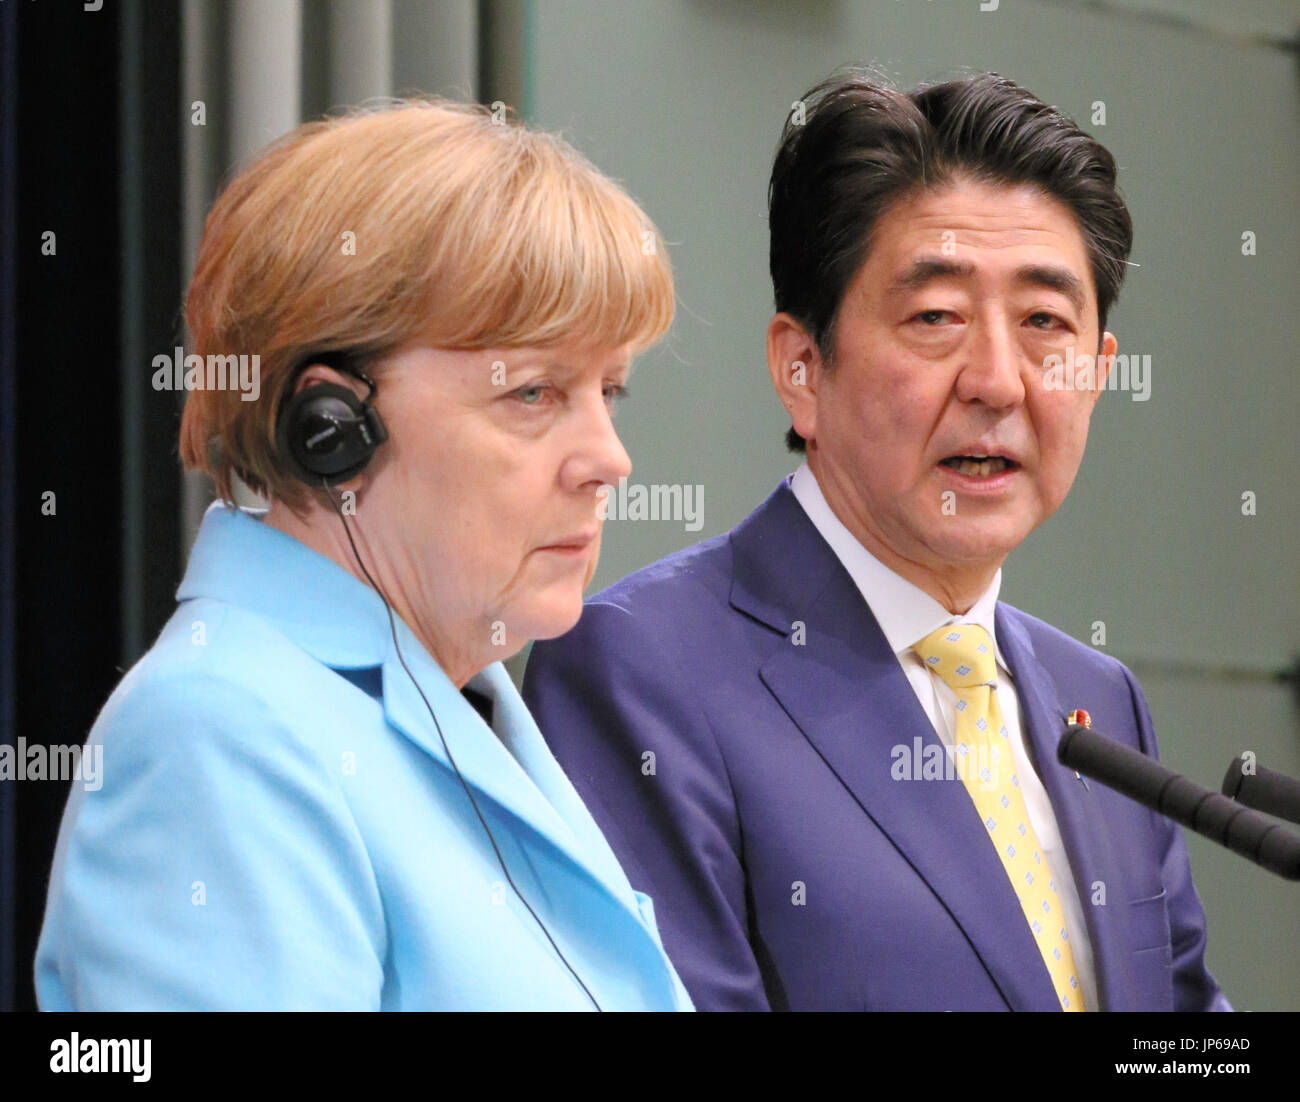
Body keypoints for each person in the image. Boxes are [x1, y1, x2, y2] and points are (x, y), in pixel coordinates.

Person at [524, 70, 1231, 1012]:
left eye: (1044, 324)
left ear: (1099, 371)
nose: (997, 381)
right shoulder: (640, 673)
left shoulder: (1101, 705)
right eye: (936, 317)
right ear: (802, 367)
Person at [36, 98, 692, 1011]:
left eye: (609, 390)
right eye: (535, 393)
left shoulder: (466, 701)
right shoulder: (212, 735)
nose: (609, 460)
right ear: (331, 427)